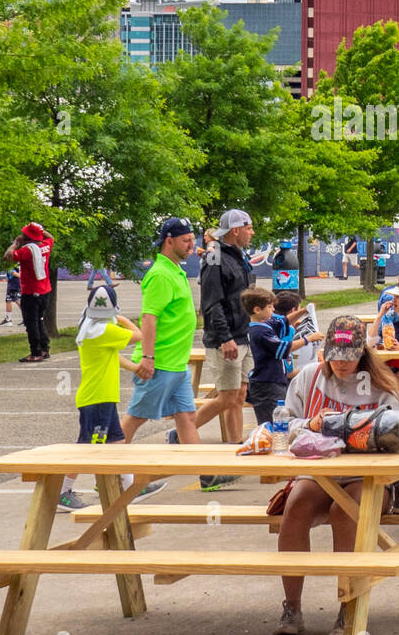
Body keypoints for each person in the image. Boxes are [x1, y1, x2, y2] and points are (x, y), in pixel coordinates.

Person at [274, 315, 399, 635]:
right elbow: (280, 423)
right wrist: (310, 426)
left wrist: (367, 431)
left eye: (349, 356)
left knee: (343, 513)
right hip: (320, 471)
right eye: (335, 355)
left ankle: (348, 606)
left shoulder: (381, 385)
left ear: (363, 353)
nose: (341, 363)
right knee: (296, 506)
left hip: (366, 477)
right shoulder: (308, 378)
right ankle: (292, 606)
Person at [60, 286, 166, 512]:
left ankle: (130, 486)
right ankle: (61, 490)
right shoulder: (104, 330)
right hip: (97, 398)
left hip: (101, 397)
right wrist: (122, 318)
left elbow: (113, 356)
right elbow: (140, 335)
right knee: (87, 447)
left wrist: (135, 368)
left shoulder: (91, 327)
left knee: (117, 442)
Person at [123, 217, 201, 447]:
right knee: (136, 418)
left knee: (187, 416)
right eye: (186, 240)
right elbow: (148, 318)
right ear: (169, 241)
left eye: (192, 240)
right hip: (160, 362)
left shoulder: (174, 270)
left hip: (177, 364)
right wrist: (148, 357)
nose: (191, 245)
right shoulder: (160, 274)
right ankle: (106, 475)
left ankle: (204, 472)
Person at [197, 208, 255, 449]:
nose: (251, 233)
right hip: (227, 338)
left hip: (244, 334)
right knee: (227, 397)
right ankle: (182, 431)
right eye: (249, 228)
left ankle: (237, 444)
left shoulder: (239, 256)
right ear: (236, 230)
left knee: (239, 396)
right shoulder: (214, 257)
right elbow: (212, 302)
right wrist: (225, 337)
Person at [242, 285, 298, 425]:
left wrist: (304, 311)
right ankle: (269, 444)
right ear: (257, 310)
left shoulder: (265, 324)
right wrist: (307, 340)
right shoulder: (259, 331)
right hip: (266, 384)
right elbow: (283, 348)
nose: (273, 310)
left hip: (275, 381)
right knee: (271, 424)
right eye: (270, 306)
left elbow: (284, 321)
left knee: (280, 421)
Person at [4, 223, 54, 363]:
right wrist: (40, 230)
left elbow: (7, 256)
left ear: (27, 237)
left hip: (30, 291)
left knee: (31, 323)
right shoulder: (45, 246)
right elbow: (51, 237)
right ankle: (45, 349)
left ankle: (36, 352)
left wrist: (15, 243)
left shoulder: (26, 251)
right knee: (40, 320)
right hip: (45, 290)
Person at [272, 290, 324, 377]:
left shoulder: (271, 324)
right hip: (279, 380)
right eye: (299, 310)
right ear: (293, 311)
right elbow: (287, 373)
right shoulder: (288, 330)